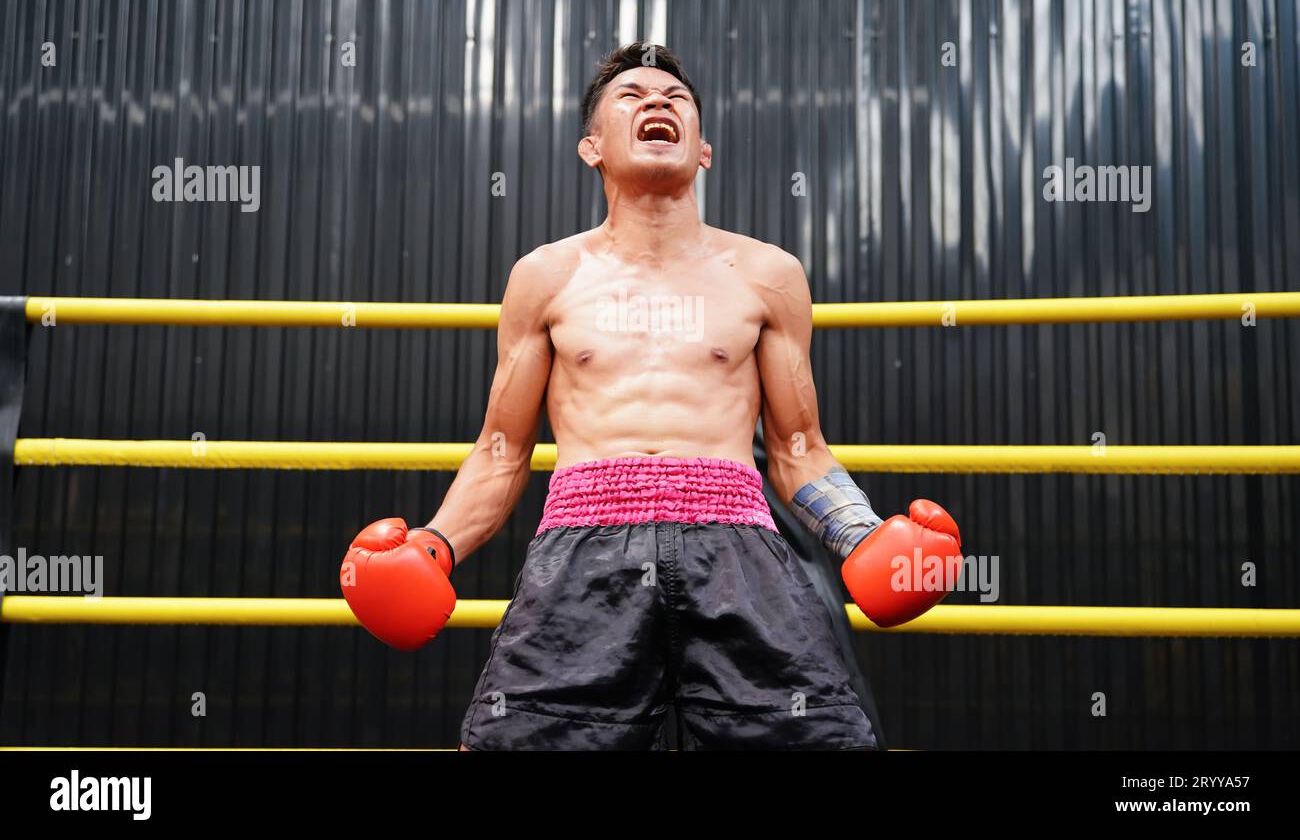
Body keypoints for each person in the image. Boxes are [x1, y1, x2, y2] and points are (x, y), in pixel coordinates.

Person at [340, 42, 962, 750]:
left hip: (737, 550)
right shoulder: (544, 276)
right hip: (584, 550)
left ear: (703, 151)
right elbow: (503, 449)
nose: (658, 102)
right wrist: (434, 547)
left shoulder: (767, 273)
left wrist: (863, 533)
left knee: (813, 739)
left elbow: (797, 450)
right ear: (592, 146)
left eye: (677, 99)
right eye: (632, 96)